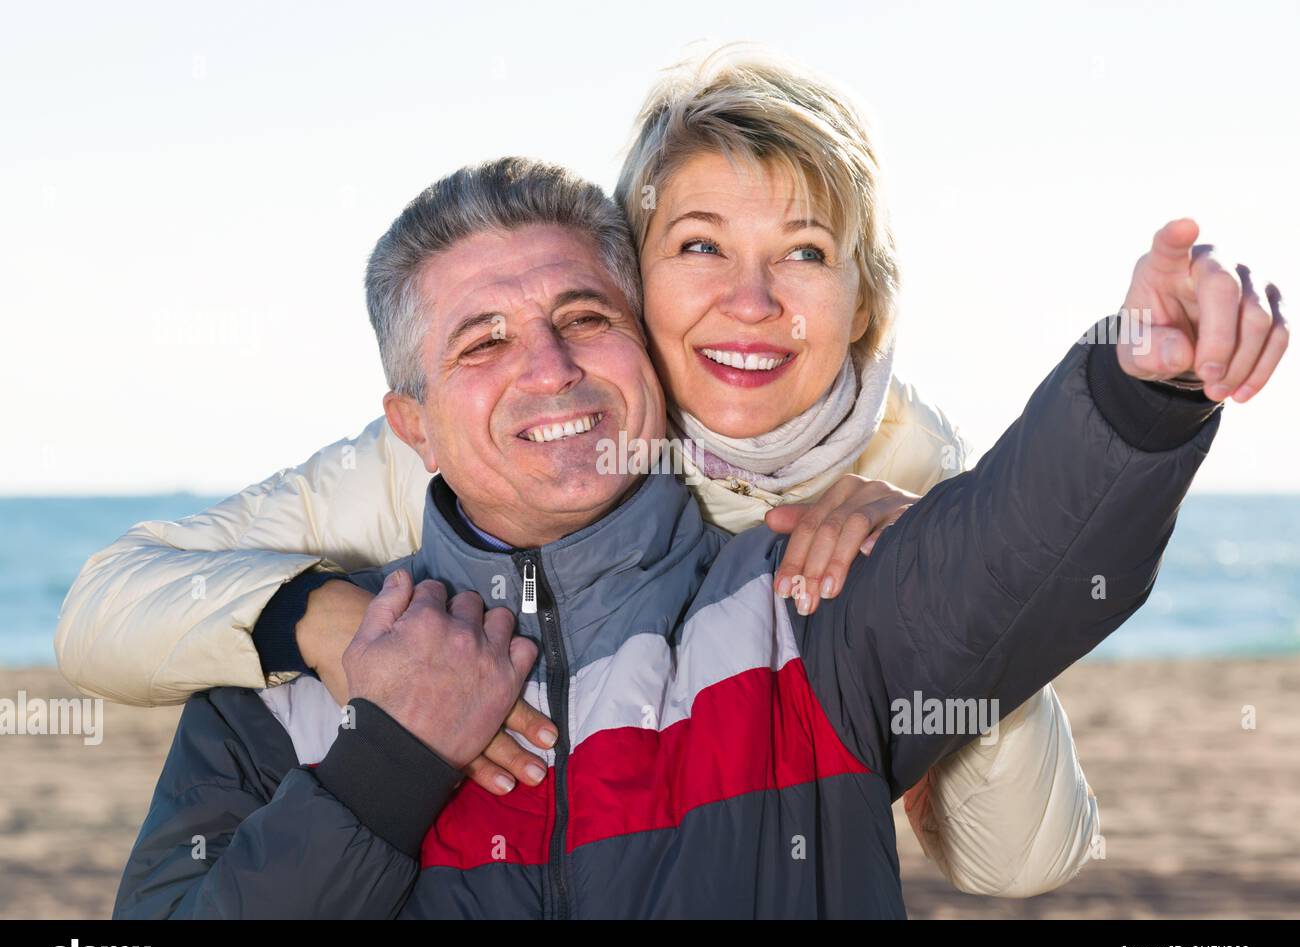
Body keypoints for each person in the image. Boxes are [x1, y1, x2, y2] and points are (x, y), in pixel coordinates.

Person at [61, 53, 1255, 897]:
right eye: (700, 247)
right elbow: (106, 609)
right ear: (646, 281)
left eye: (802, 251)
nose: (750, 301)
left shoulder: (894, 465)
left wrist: (981, 535)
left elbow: (1017, 856)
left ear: (865, 305)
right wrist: (333, 622)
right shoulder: (426, 465)